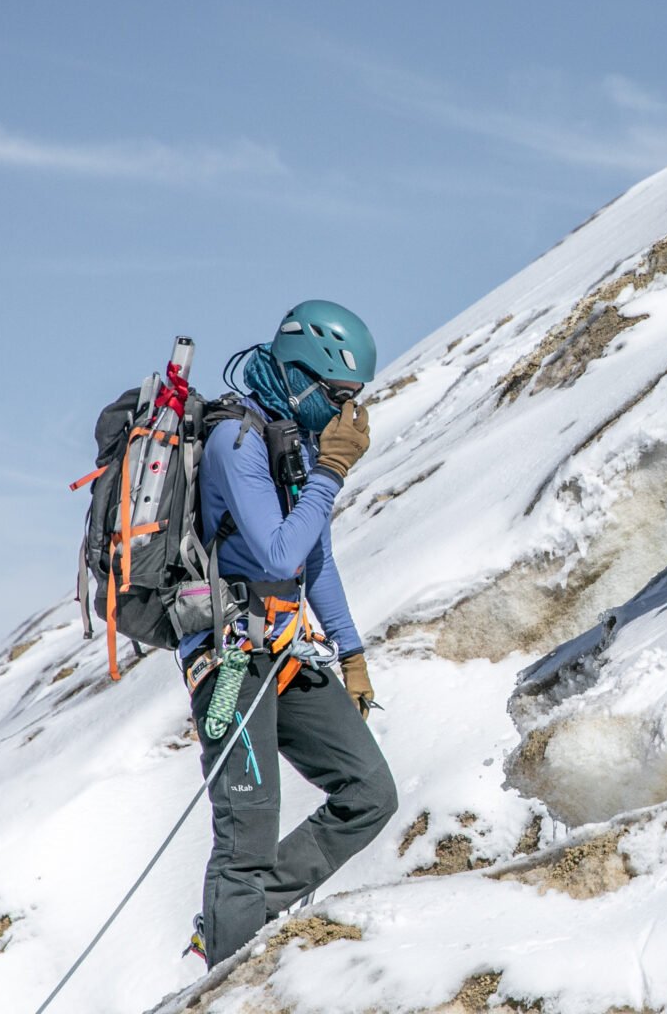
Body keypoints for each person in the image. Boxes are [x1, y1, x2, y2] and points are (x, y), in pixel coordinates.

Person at [181, 299, 397, 966]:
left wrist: (351, 652)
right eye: (338, 396)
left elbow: (314, 560)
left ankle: (236, 920)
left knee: (369, 793)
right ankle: (227, 959)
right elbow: (277, 555)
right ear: (303, 376)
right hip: (226, 667)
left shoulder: (292, 447)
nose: (345, 414)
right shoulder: (236, 445)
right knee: (246, 833)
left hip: (283, 652)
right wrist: (331, 473)